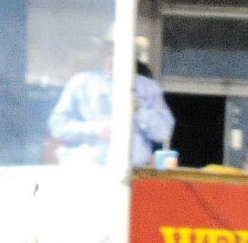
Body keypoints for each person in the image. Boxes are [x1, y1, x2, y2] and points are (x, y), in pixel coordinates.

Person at [47, 30, 175, 168]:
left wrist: (140, 110)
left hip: (136, 171)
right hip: (88, 169)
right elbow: (57, 126)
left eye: (121, 51)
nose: (114, 58)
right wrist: (93, 129)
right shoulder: (82, 82)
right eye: (110, 52)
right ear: (102, 53)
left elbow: (163, 132)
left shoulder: (148, 87)